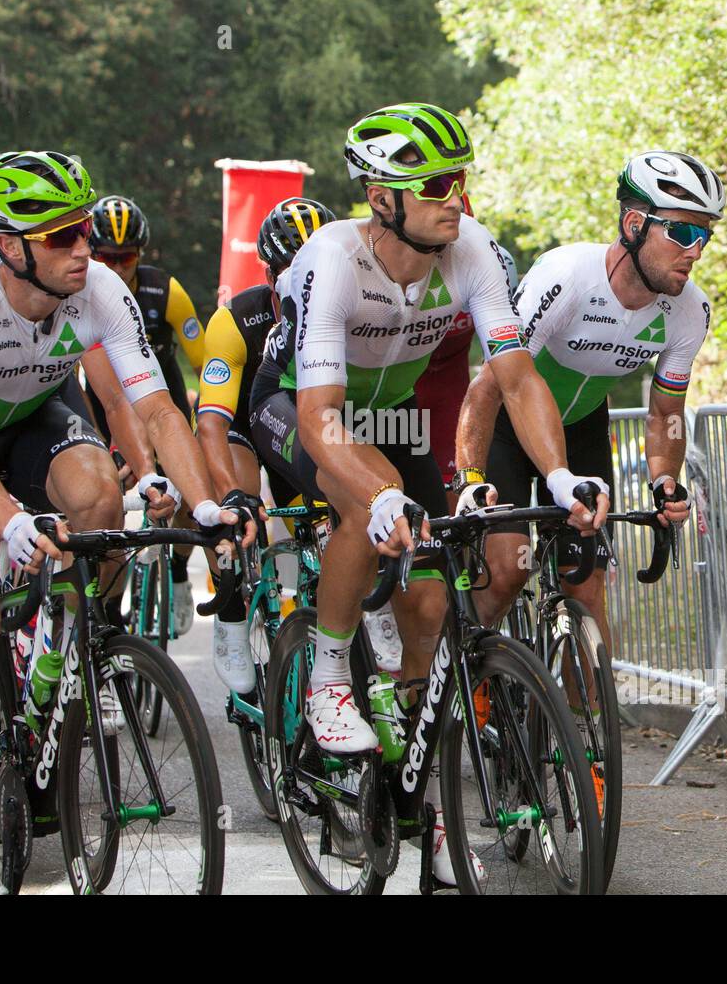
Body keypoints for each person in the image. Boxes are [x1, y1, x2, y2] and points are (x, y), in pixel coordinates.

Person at [249, 103, 604, 884]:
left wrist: (556, 476)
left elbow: (513, 374)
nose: (457, 197)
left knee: (433, 611)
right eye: (437, 183)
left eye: (461, 180)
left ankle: (424, 808)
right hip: (301, 407)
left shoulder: (469, 249)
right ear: (383, 197)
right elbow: (319, 420)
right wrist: (376, 495)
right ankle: (330, 678)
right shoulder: (332, 260)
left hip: (396, 416)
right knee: (360, 501)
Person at [0, 150, 247, 894]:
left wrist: (209, 506)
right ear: (8, 246)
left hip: (31, 414)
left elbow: (155, 408)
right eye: (62, 237)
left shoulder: (100, 290)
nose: (84, 248)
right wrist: (13, 522)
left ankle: (72, 636)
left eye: (84, 229)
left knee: (98, 495)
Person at [455, 149, 722, 650]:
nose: (696, 250)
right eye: (684, 233)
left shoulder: (690, 310)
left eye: (705, 235)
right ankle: (470, 671)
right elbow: (489, 386)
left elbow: (666, 413)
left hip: (581, 429)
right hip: (510, 430)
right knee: (509, 569)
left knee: (588, 591)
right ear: (634, 222)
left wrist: (665, 478)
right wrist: (469, 477)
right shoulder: (565, 276)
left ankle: (585, 723)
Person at [196, 196, 334, 690]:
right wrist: (232, 492)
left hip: (300, 425)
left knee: (331, 520)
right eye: (286, 270)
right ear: (268, 271)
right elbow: (210, 423)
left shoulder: (340, 305)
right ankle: (231, 623)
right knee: (236, 513)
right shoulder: (234, 320)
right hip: (241, 425)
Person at [86, 195, 207, 633]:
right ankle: (110, 603)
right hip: (107, 403)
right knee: (106, 492)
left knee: (192, 490)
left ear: (141, 254)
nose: (117, 268)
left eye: (127, 258)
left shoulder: (165, 291)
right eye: (106, 257)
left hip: (162, 395)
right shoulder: (84, 292)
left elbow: (203, 362)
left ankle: (176, 571)